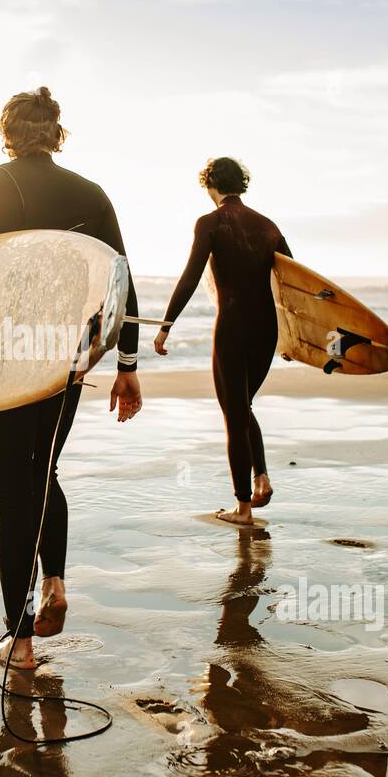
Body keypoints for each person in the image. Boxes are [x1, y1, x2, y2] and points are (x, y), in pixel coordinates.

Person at [0, 86, 143, 670]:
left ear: (7, 133)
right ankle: (56, 582)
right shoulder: (91, 194)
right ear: (56, 134)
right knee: (43, 472)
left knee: (9, 495)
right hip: (62, 359)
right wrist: (126, 366)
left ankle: (20, 641)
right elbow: (120, 282)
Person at [154, 157, 291, 525]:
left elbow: (190, 276)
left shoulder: (210, 223)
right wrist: (296, 340)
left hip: (232, 325)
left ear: (210, 184)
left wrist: (166, 324)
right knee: (242, 404)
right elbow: (293, 285)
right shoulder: (268, 226)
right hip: (266, 329)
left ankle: (243, 508)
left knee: (234, 413)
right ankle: (260, 478)